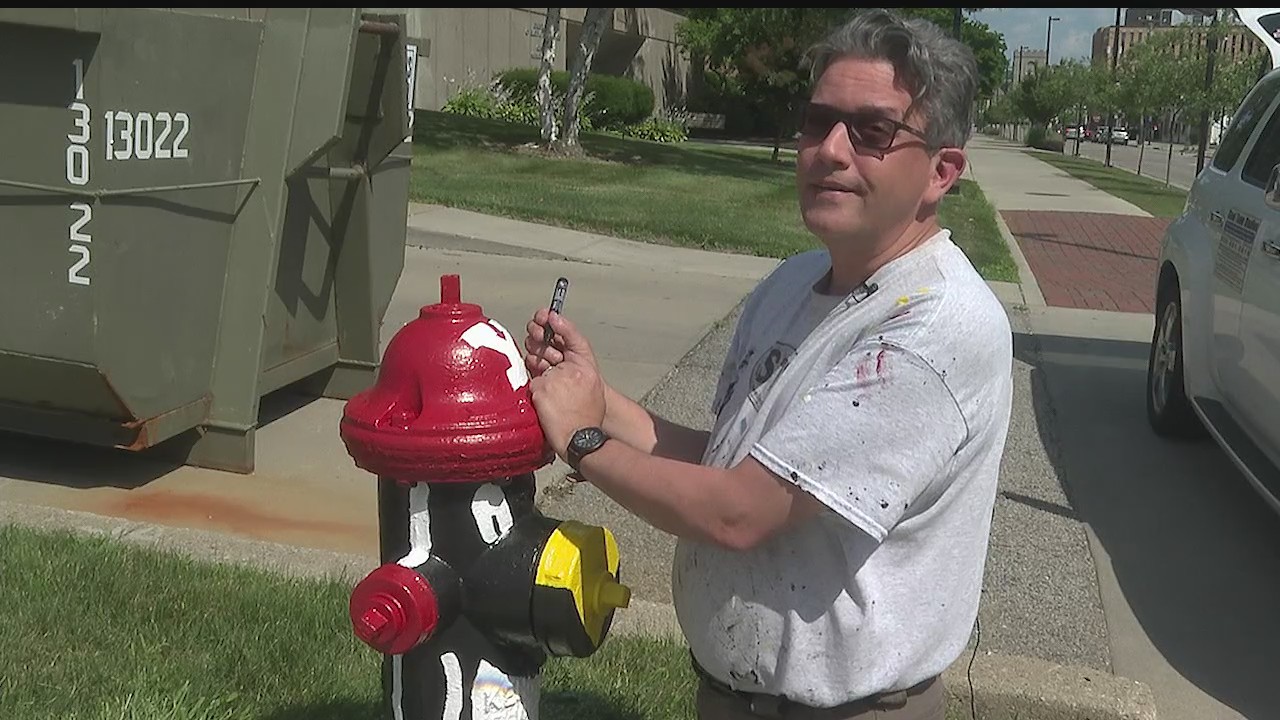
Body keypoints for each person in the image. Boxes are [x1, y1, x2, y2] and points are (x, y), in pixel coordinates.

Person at [522, 8, 1013, 720]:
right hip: (735, 698)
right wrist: (595, 399)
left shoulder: (935, 325)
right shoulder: (793, 283)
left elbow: (739, 513)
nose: (830, 150)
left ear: (942, 171)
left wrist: (581, 441)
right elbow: (730, 464)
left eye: (871, 131)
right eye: (818, 123)